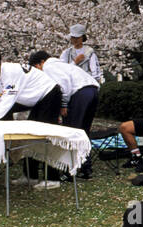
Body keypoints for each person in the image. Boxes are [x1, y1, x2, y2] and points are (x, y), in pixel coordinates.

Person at [29, 49, 99, 179]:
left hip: (80, 93)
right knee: (83, 132)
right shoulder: (61, 64)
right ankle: (85, 167)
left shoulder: (49, 66)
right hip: (92, 90)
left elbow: (63, 83)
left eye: (36, 67)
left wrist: (64, 104)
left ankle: (70, 170)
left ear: (41, 62)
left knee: (72, 131)